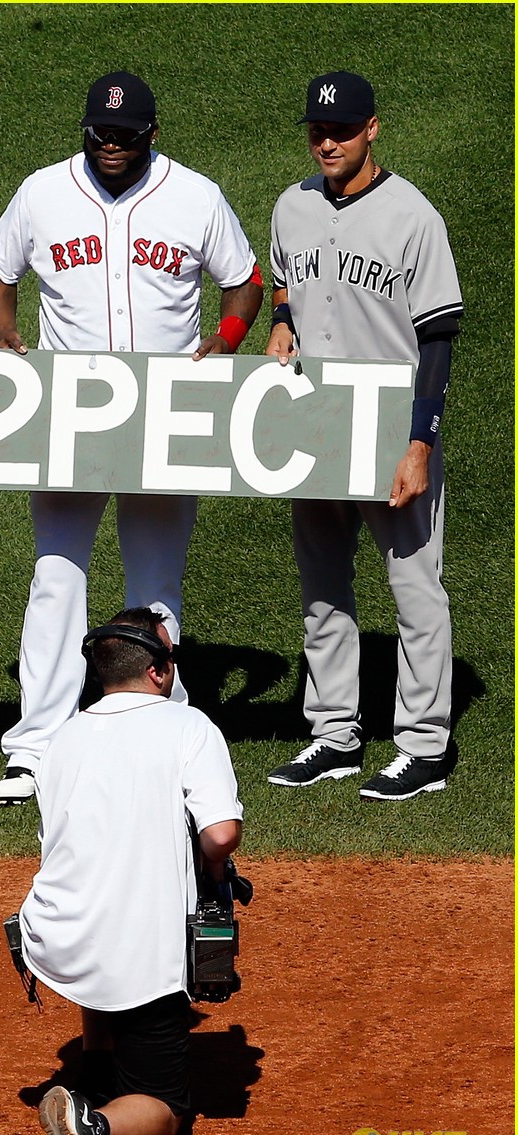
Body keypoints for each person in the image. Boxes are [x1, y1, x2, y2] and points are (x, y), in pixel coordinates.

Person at [0, 71, 263, 806]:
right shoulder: (43, 191)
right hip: (69, 414)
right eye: (99, 134)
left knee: (157, 590)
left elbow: (245, 280)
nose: (110, 147)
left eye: (124, 137)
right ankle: (36, 747)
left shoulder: (194, 195)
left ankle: (163, 741)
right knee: (56, 580)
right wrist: (8, 336)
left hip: (164, 417)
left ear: (151, 136)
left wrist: (225, 340)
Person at [266, 72, 463, 801]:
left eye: (343, 130)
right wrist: (281, 320)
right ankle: (334, 734)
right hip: (316, 425)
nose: (328, 142)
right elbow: (284, 278)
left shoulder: (414, 217)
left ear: (372, 129)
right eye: (318, 130)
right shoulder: (291, 205)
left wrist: (419, 445)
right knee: (322, 586)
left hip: (389, 428)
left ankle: (424, 745)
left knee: (415, 587)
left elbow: (439, 337)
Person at [18, 606, 244, 1135]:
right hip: (137, 949)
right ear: (159, 673)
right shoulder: (189, 727)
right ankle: (97, 1125)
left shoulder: (60, 737)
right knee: (169, 1108)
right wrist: (215, 874)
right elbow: (220, 834)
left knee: (108, 904)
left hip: (58, 933)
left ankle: (94, 1071)